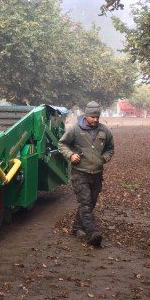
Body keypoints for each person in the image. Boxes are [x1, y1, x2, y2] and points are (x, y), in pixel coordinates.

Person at [58, 101, 115, 246]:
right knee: (85, 202)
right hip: (80, 173)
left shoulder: (104, 131)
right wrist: (71, 155)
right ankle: (93, 233)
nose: (95, 119)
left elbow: (110, 148)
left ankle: (77, 227)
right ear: (86, 115)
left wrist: (104, 158)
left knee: (91, 202)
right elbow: (62, 144)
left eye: (97, 117)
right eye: (92, 117)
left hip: (97, 173)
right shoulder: (75, 129)